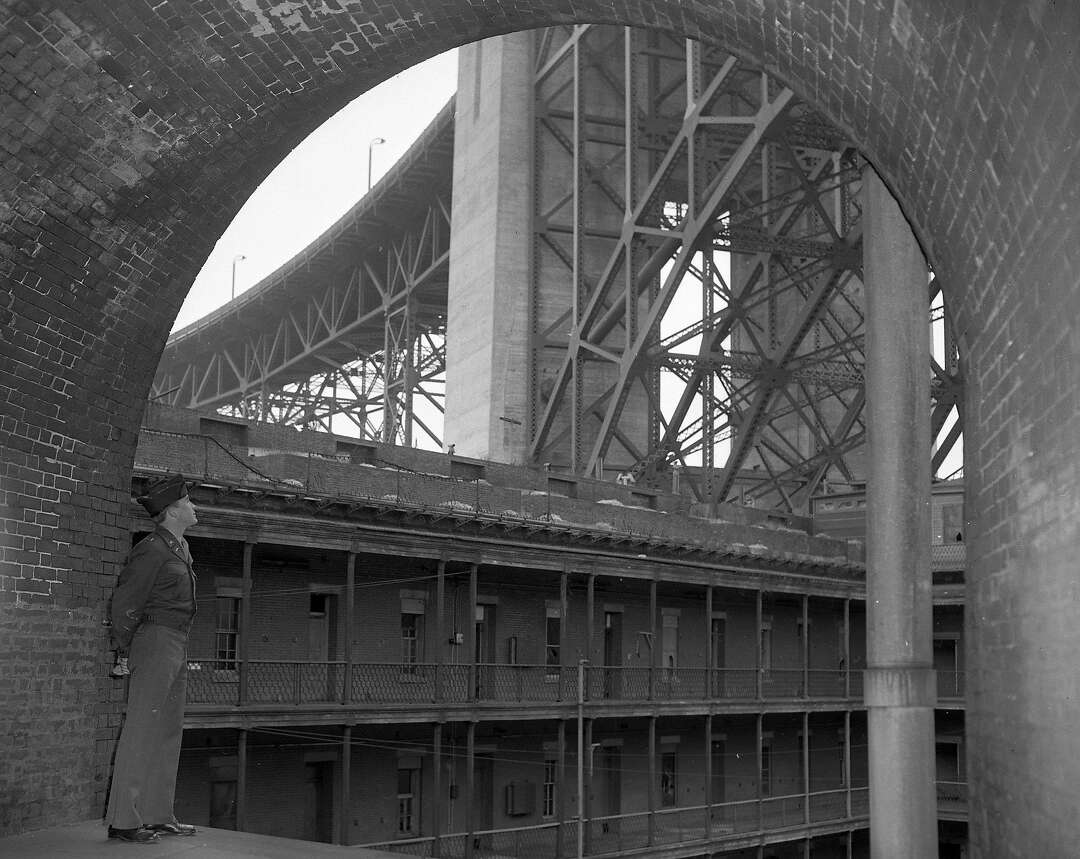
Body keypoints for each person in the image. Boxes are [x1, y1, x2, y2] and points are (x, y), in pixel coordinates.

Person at [104, 473, 199, 843]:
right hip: (155, 640)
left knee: (167, 731)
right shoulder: (152, 549)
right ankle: (124, 821)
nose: (194, 507)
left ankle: (158, 814)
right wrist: (125, 649)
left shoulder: (180, 548)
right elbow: (125, 603)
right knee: (142, 730)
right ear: (172, 511)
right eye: (188, 502)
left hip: (177, 641)